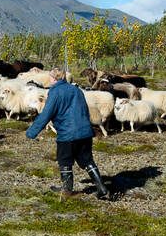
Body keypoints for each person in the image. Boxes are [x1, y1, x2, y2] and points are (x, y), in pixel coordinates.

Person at [25, 67, 110, 200]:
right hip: (84, 132)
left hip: (67, 134)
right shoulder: (76, 90)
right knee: (88, 161)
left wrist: (32, 131)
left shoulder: (54, 92)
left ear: (52, 78)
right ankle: (102, 188)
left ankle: (66, 190)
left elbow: (47, 113)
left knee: (65, 161)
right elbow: (84, 109)